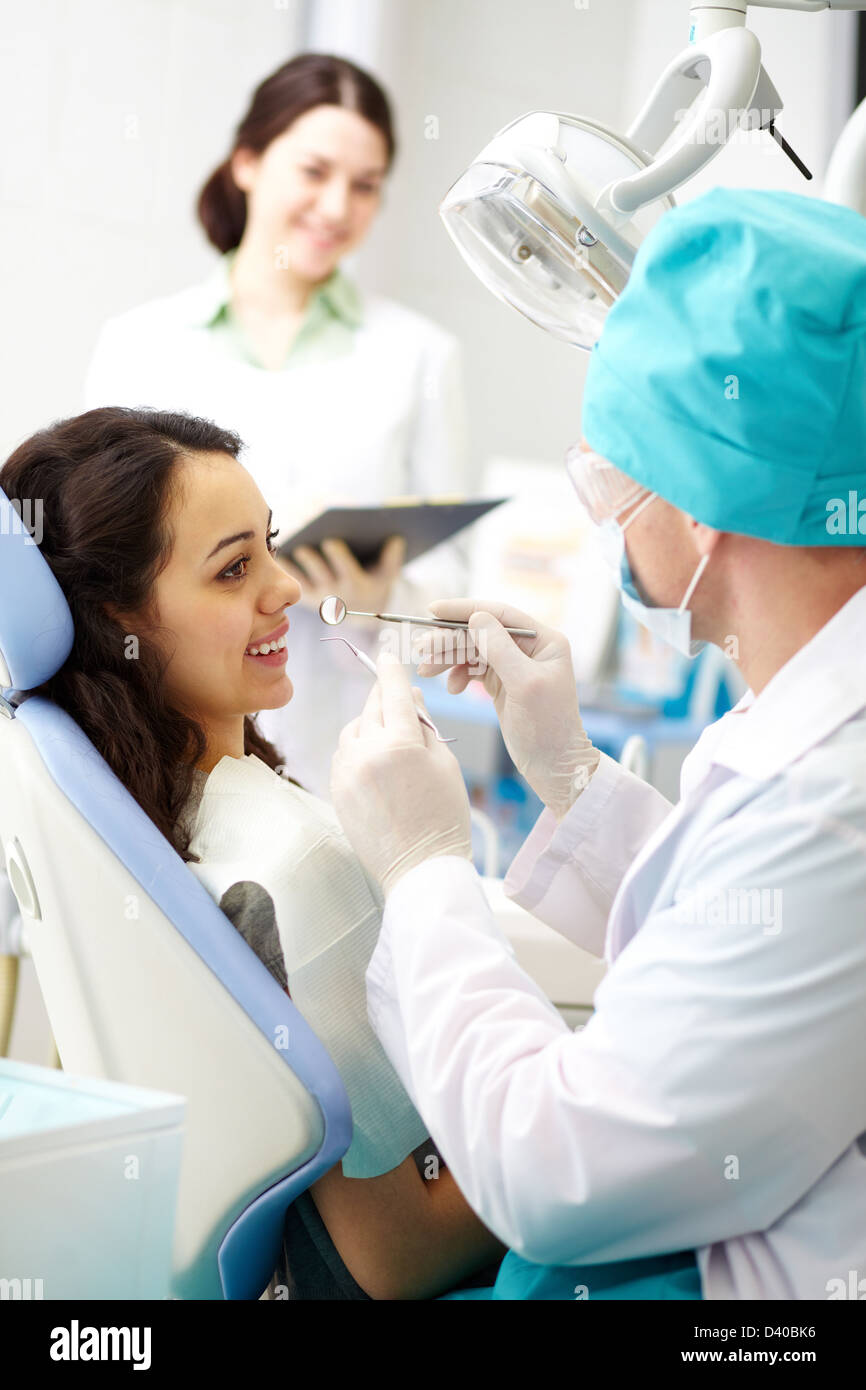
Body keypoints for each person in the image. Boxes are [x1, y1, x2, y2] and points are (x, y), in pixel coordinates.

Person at [327, 188, 866, 1300]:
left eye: (608, 479)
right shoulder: (806, 719)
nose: (600, 519)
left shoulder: (832, 798)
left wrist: (427, 872)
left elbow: (551, 1168)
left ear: (707, 501)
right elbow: (745, 922)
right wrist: (568, 774)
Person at [0, 406, 505, 1300]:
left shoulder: (111, 809)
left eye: (270, 546)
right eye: (234, 569)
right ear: (117, 620)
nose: (284, 590)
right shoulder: (293, 862)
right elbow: (397, 1250)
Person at [84, 52, 476, 797]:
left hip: (345, 742)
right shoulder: (139, 345)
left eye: (365, 187)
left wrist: (384, 594)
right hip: (164, 742)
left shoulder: (421, 356)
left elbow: (450, 586)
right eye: (314, 172)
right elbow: (95, 562)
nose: (337, 208)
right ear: (248, 163)